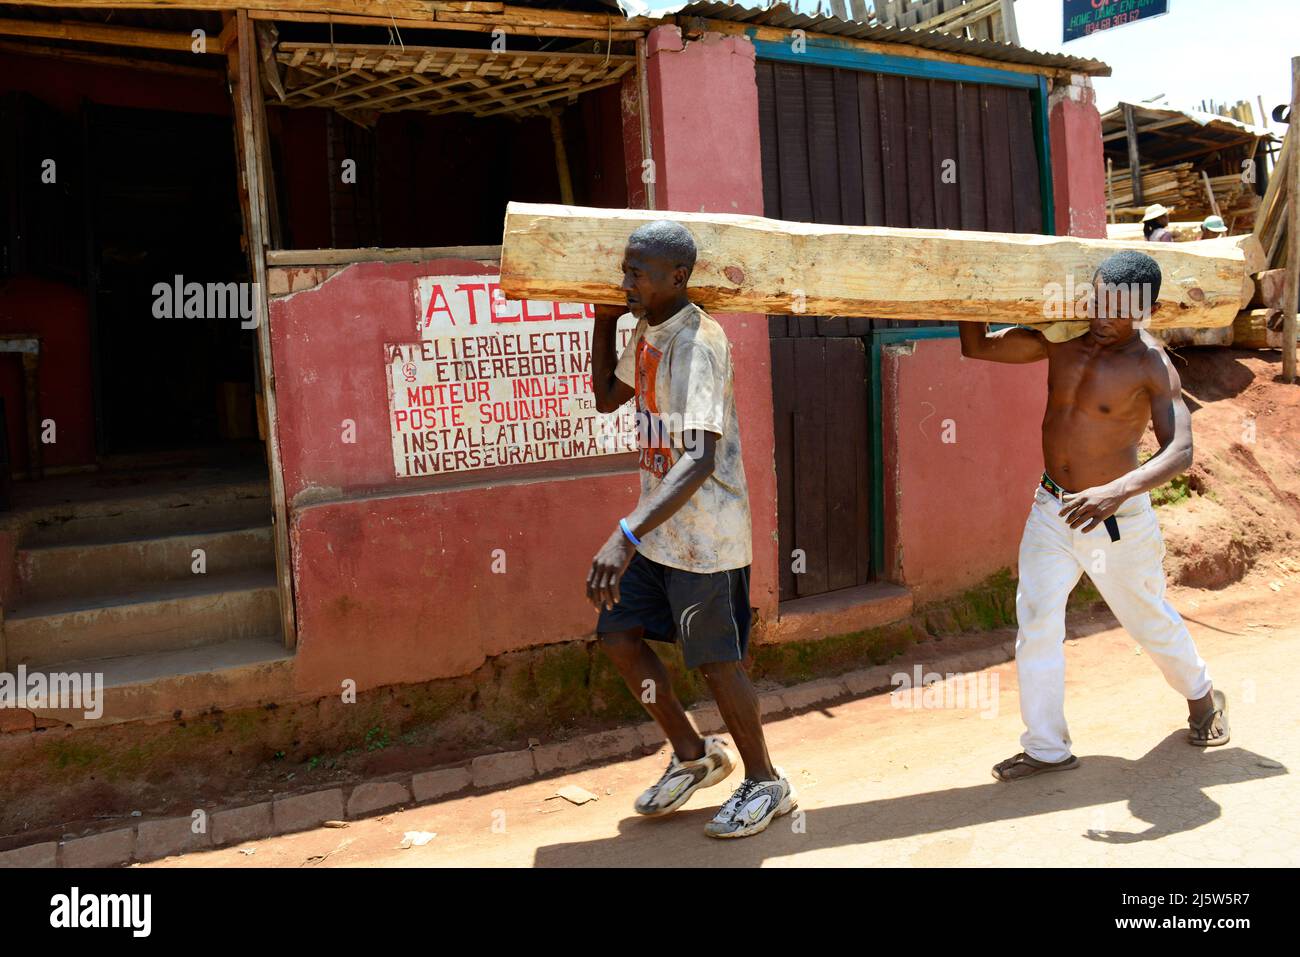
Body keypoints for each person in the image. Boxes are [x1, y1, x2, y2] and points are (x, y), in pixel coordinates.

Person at [958, 249, 1229, 782]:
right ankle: (1046, 746)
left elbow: (1180, 451)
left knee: (1145, 617)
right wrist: (967, 283)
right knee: (1036, 621)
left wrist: (1114, 491)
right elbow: (976, 346)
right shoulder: (1062, 340)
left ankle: (1201, 697)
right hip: (1052, 507)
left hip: (1116, 519)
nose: (1103, 317)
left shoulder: (1150, 363)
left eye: (1118, 309)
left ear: (1144, 312)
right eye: (1098, 301)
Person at [586, 219, 796, 837]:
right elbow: (605, 396)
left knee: (715, 662)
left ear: (677, 277)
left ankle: (766, 782)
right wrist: (605, 319)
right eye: (624, 270)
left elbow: (699, 457)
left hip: (706, 535)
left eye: (637, 273)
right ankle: (694, 755)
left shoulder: (700, 340)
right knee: (619, 635)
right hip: (659, 531)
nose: (627, 281)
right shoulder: (651, 330)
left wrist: (622, 536)